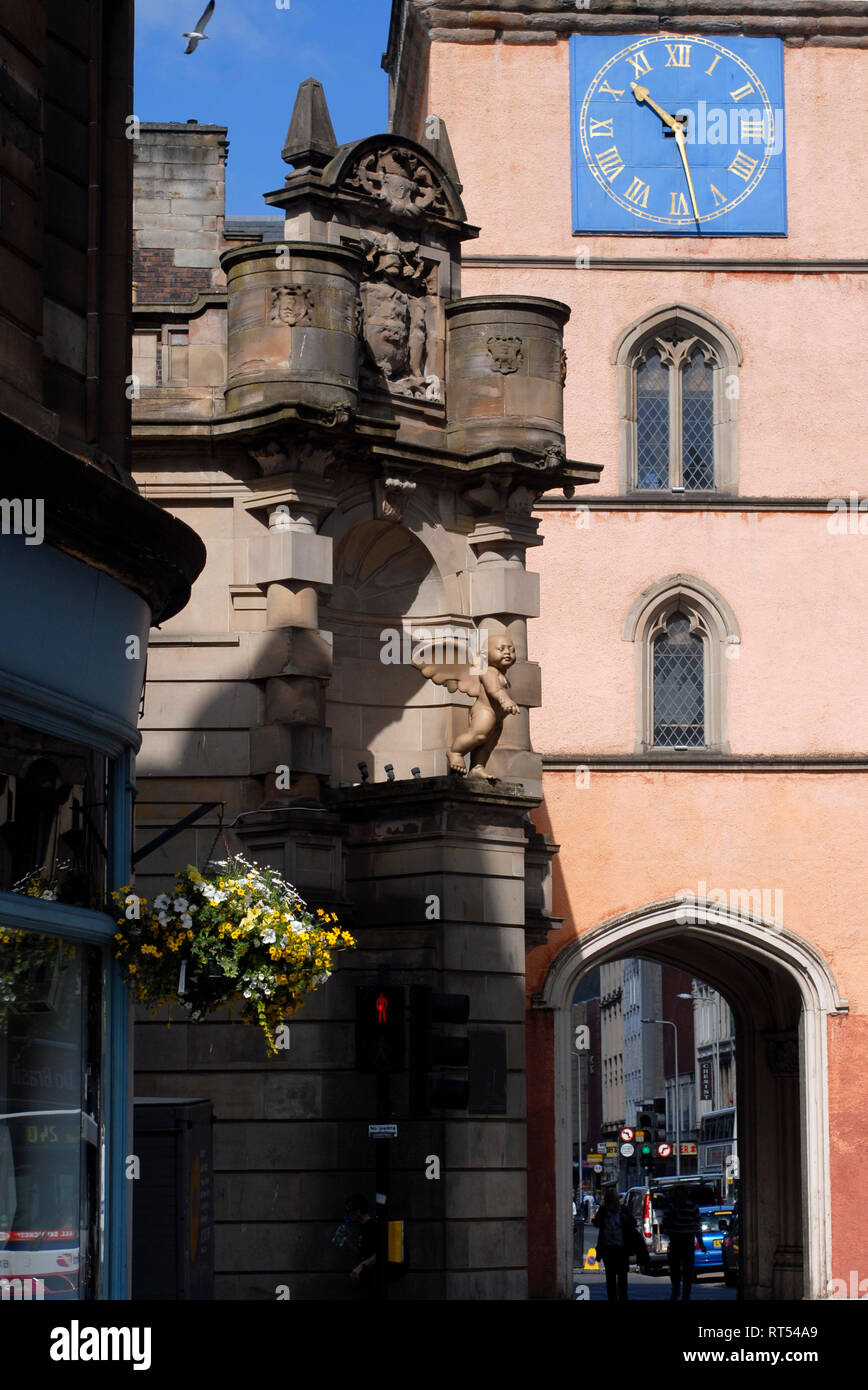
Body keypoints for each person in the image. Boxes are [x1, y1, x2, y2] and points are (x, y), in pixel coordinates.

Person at [593, 1188, 638, 1301]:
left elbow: (633, 1222)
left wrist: (625, 1219)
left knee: (619, 1278)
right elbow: (597, 1223)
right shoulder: (604, 1210)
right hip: (610, 1249)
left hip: (620, 1249)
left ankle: (620, 1298)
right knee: (613, 1278)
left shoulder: (622, 1210)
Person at [663, 1186, 704, 1301]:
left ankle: (680, 1292)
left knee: (680, 1269)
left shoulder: (673, 1207)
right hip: (684, 1241)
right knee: (683, 1269)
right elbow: (697, 1226)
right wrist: (700, 1243)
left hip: (680, 1241)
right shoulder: (691, 1207)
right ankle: (682, 1292)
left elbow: (665, 1224)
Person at [345, 1193, 377, 1298]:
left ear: (358, 1211)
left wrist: (361, 1266)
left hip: (373, 1281)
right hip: (365, 1281)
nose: (347, 1215)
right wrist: (347, 1241)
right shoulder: (362, 1227)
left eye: (349, 1212)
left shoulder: (373, 1226)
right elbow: (363, 1253)